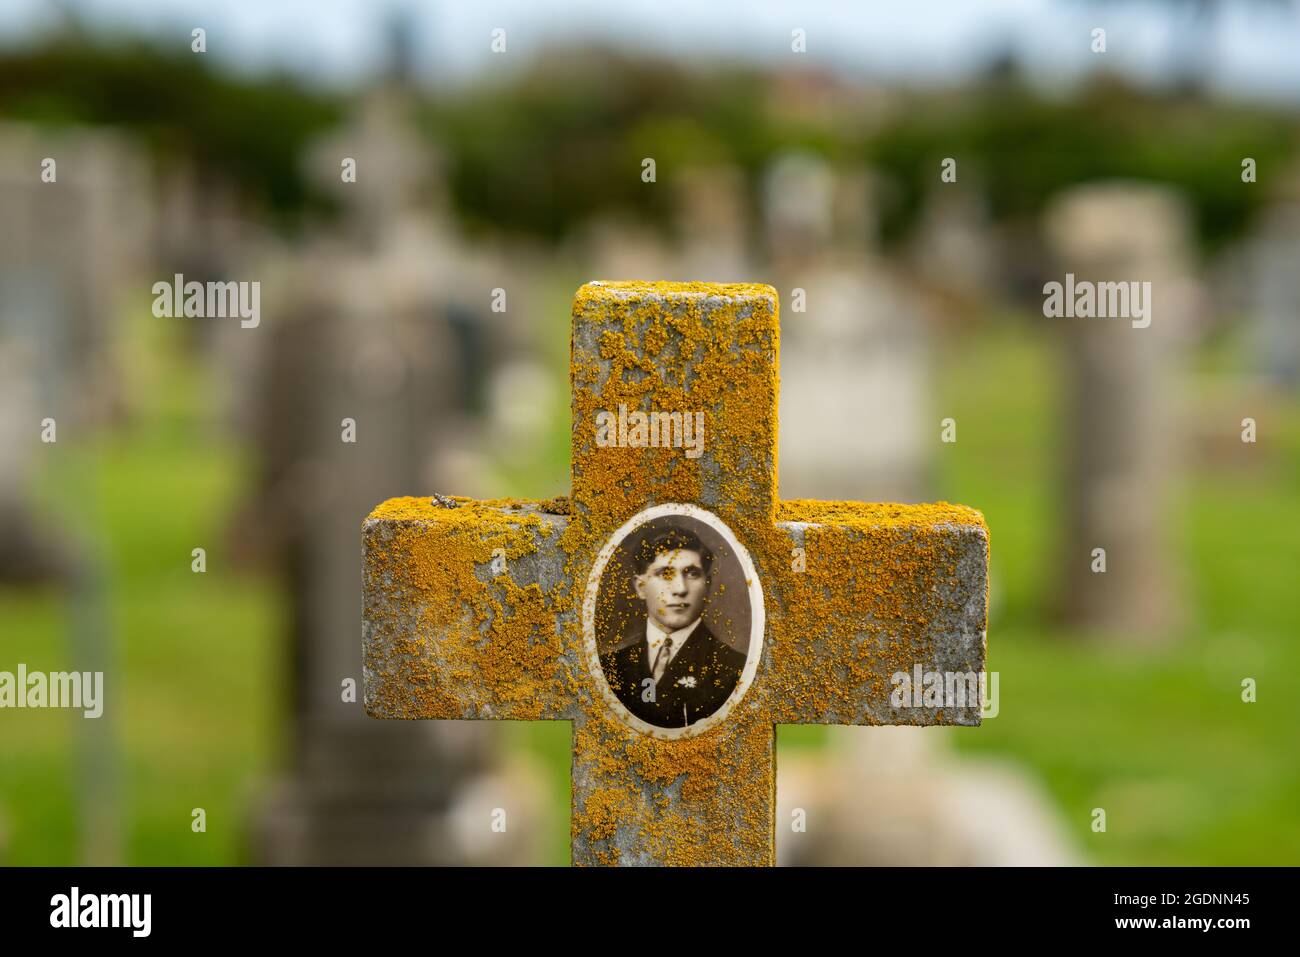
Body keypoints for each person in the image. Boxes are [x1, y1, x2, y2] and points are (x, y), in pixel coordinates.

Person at [599, 525, 745, 728]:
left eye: (692, 574)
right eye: (665, 574)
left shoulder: (734, 669)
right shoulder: (609, 668)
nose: (680, 589)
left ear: (707, 584)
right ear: (641, 587)